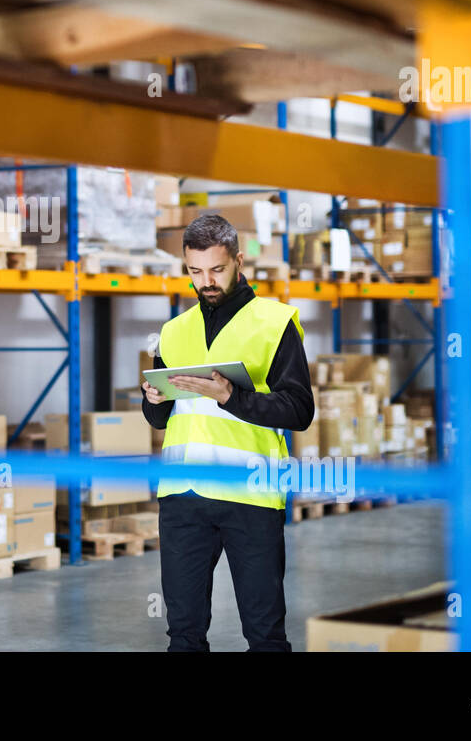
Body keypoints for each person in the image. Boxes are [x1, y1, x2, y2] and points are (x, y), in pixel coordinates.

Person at [142, 213, 314, 651]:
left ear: (239, 261)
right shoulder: (173, 330)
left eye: (217, 269)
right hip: (183, 497)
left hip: (250, 494)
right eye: (195, 271)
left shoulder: (275, 323)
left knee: (264, 633)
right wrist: (153, 400)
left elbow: (299, 410)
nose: (207, 281)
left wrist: (230, 396)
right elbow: (160, 419)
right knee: (183, 633)